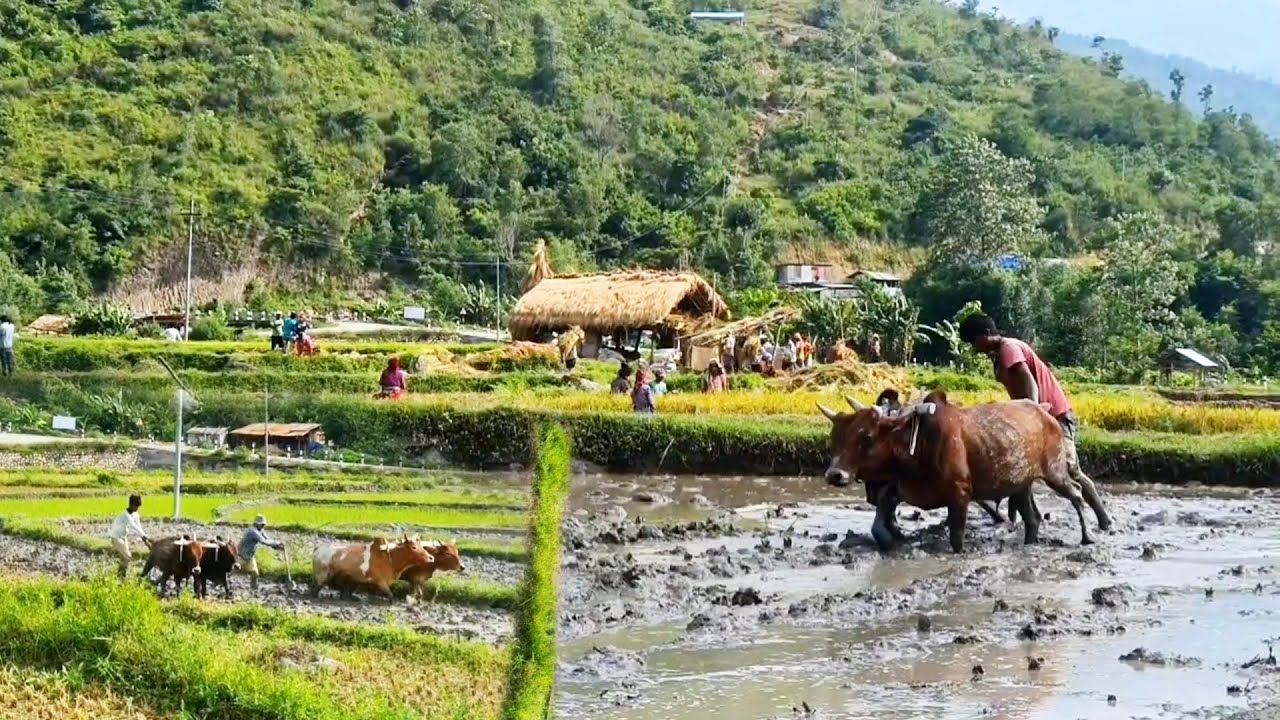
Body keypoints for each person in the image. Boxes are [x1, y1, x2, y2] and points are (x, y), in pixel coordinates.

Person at [958, 313, 1113, 530]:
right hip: (1036, 419)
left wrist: (1032, 415)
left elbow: (1029, 381)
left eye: (974, 341)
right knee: (1021, 471)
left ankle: (1104, 519)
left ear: (985, 334)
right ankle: (1021, 521)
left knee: (1070, 470)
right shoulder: (1000, 354)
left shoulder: (1009, 349)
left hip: (1053, 417)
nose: (974, 348)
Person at [107, 494, 150, 582]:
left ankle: (121, 578)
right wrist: (144, 536)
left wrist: (145, 539)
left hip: (124, 537)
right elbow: (133, 526)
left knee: (124, 559)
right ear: (131, 504)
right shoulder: (125, 515)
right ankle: (123, 576)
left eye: (138, 507)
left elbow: (139, 527)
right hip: (116, 537)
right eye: (136, 506)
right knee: (128, 556)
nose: (137, 509)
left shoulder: (136, 514)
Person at [238, 515, 286, 591]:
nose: (263, 526)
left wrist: (276, 546)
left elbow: (267, 539)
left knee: (255, 573)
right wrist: (278, 542)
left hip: (249, 557)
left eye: (264, 524)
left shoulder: (260, 530)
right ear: (257, 524)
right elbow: (263, 541)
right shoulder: (252, 531)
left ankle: (253, 589)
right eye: (262, 524)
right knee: (233, 571)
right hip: (241, 556)